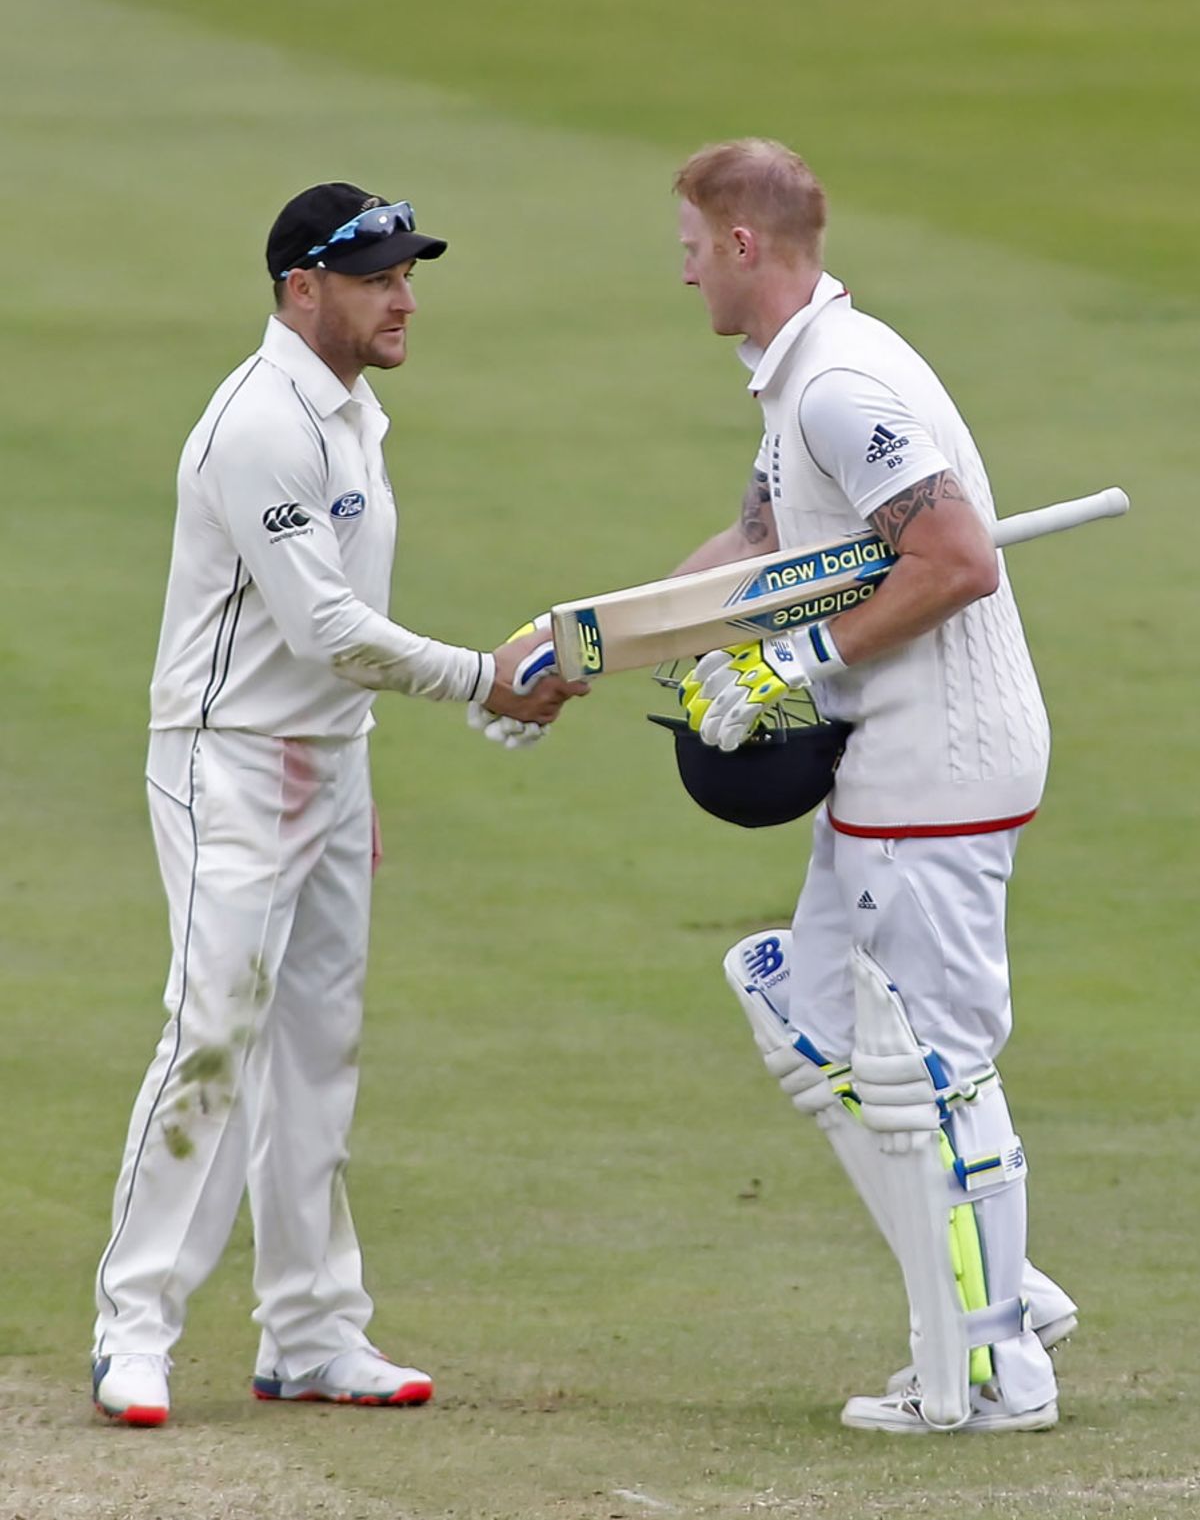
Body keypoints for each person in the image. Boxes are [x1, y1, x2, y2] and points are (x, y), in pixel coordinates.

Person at [91, 181, 581, 1427]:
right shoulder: (258, 422)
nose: (404, 297)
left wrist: (465, 699)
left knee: (318, 1053)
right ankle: (131, 1329)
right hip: (228, 763)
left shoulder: (354, 410)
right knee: (212, 1032)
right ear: (302, 288)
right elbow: (320, 625)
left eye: (408, 273)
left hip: (329, 760)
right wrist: (482, 678)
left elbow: (340, 647)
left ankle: (310, 1333)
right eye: (376, 278)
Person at [669, 139, 1077, 1433]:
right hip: (891, 765)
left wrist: (793, 658)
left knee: (937, 1068)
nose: (680, 270)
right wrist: (563, 649)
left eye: (689, 243)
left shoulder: (843, 384)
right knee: (797, 1000)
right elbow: (749, 551)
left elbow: (957, 559)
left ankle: (997, 1366)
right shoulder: (801, 387)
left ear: (744, 243)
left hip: (939, 761)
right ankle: (992, 1277)